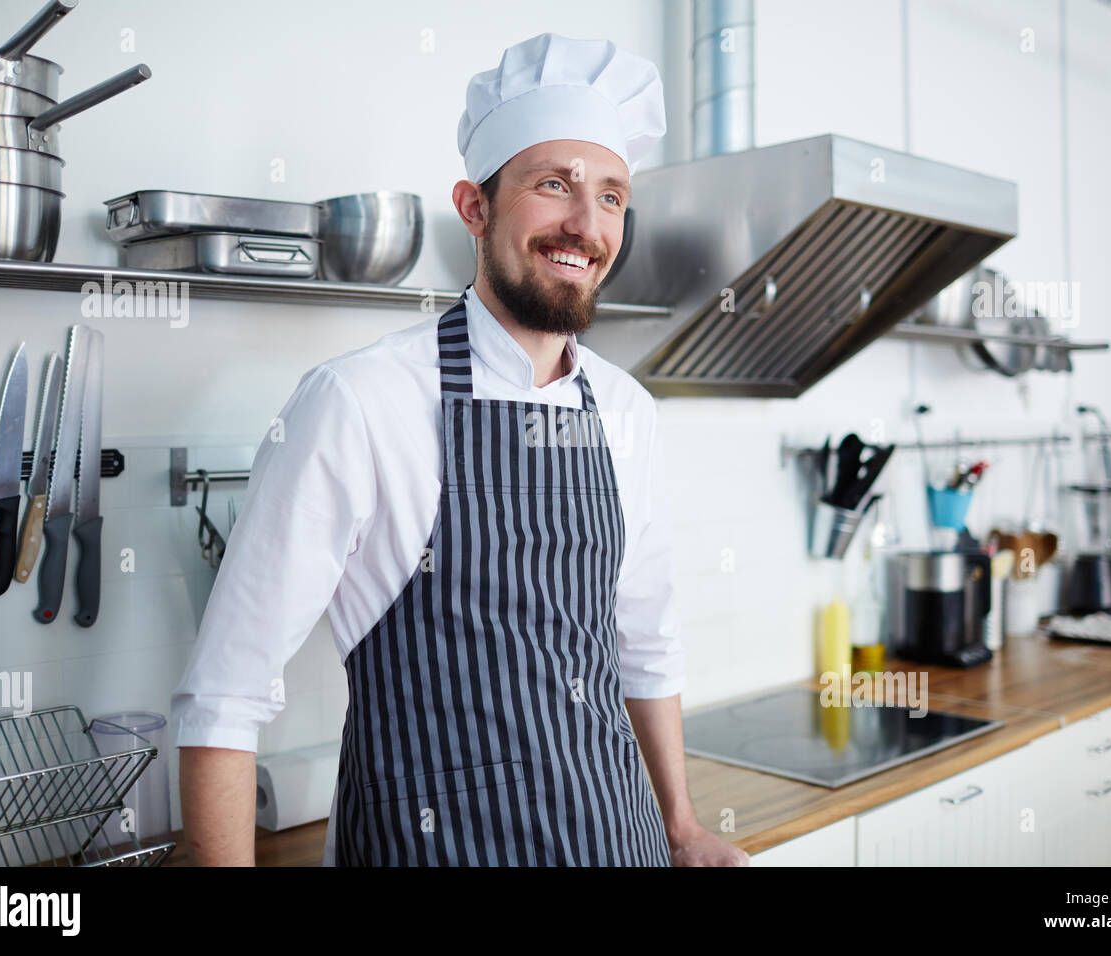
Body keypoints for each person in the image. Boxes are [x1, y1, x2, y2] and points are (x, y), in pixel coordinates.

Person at [173, 31, 748, 867]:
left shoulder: (626, 411)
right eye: (555, 185)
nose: (587, 226)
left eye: (613, 197)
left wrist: (683, 826)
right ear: (473, 207)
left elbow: (646, 643)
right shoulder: (360, 403)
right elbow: (222, 695)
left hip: (618, 845)